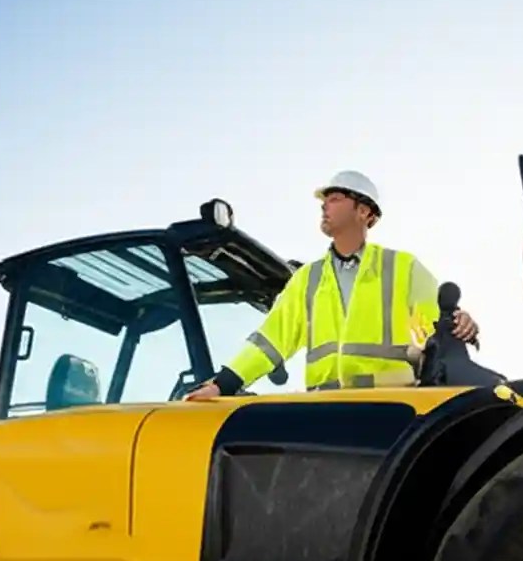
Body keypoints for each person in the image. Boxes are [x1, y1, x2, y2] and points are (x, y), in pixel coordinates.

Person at [184, 169, 478, 399]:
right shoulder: (307, 279)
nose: (324, 206)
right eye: (325, 200)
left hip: (391, 411)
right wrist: (223, 384)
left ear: (364, 211)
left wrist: (459, 322)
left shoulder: (404, 268)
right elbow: (271, 341)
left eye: (335, 199)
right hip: (326, 414)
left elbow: (434, 326)